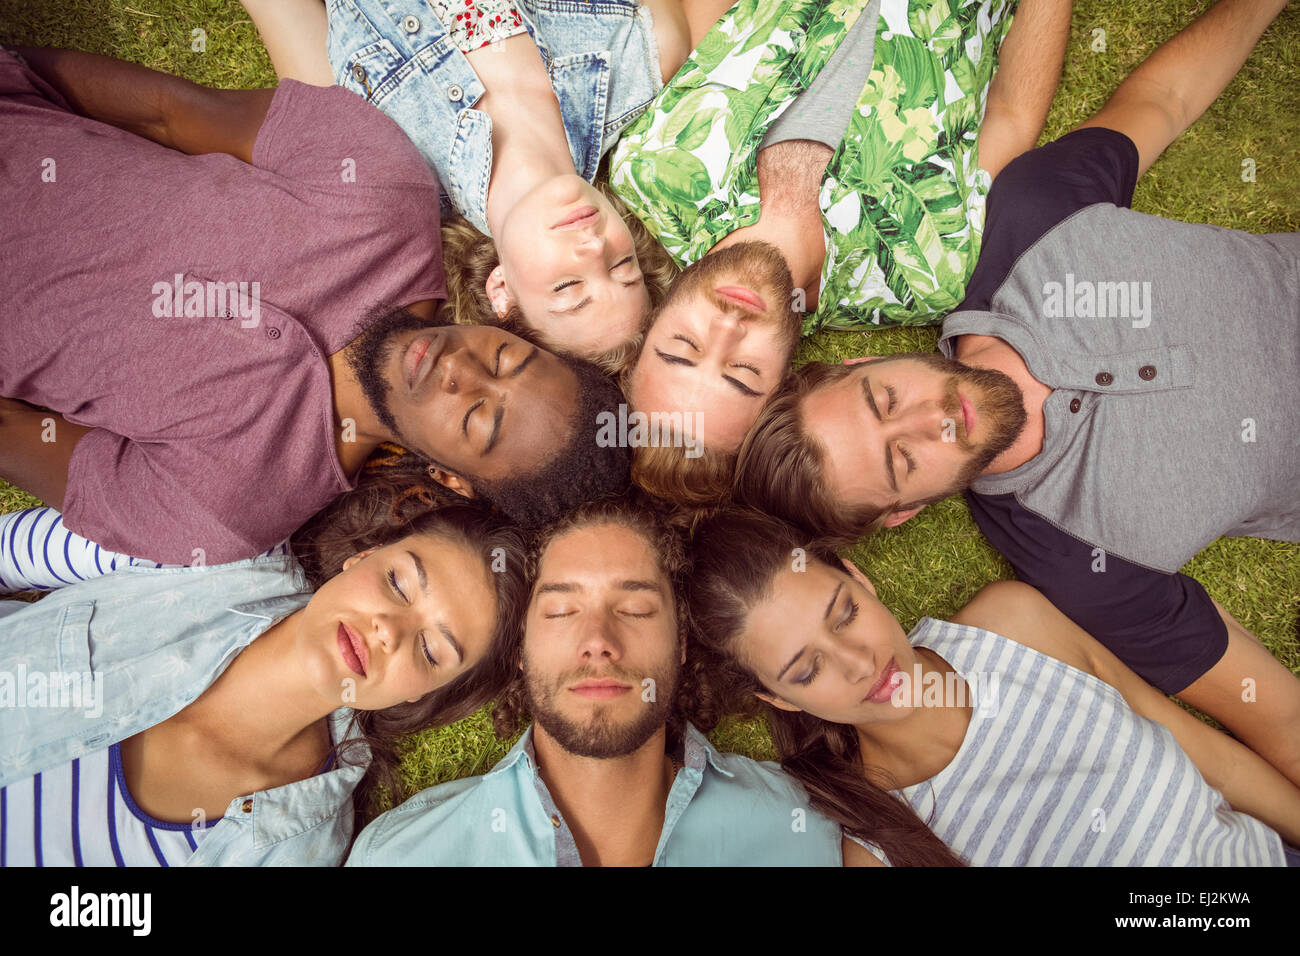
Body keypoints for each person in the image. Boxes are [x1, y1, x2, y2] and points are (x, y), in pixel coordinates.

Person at [733, 0, 1300, 787]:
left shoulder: (1030, 220)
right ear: (907, 512)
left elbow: (1160, 103)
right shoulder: (1076, 563)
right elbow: (1276, 714)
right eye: (902, 461)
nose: (932, 418)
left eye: (884, 400)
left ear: (855, 364)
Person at [0, 45, 630, 567]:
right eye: (504, 357)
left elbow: (15, 434)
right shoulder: (382, 186)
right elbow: (165, 114)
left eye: (477, 420)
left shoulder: (226, 509)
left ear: (451, 479)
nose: (459, 371)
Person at [610, 0, 1072, 501]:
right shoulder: (919, 274)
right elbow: (1013, 115)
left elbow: (724, 21)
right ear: (786, 387)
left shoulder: (653, 171)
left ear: (647, 328)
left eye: (684, 345)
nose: (726, 328)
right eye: (743, 372)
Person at [687, 509, 1300, 866]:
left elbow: (1204, 752)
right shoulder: (874, 840)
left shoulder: (1013, 624)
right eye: (806, 670)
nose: (858, 663)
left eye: (844, 613)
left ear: (860, 578)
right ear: (780, 699)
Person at [346, 496, 884, 865]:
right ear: (520, 653)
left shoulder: (798, 826)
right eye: (559, 611)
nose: (598, 638)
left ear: (680, 645)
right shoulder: (400, 855)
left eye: (636, 607)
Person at [0, 499, 530, 867]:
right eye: (398, 582)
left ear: (421, 693)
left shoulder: (292, 851)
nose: (388, 631)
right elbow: (11, 551)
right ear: (363, 556)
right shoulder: (214, 544)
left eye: (432, 650)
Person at [237, 0, 717, 369]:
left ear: (501, 290)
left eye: (569, 286)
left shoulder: (372, 160)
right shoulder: (645, 64)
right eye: (622, 266)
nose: (593, 249)